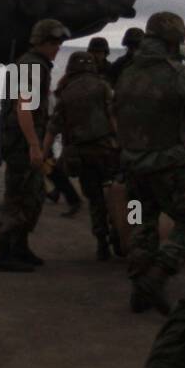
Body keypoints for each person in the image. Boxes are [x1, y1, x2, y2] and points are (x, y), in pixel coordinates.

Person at [113, 12, 185, 314]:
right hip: (169, 164)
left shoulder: (127, 71)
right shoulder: (177, 72)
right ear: (174, 41)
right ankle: (156, 277)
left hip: (132, 163)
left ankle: (140, 288)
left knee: (143, 224)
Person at [0, 18, 69, 272]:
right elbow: (24, 108)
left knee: (33, 196)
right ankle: (3, 254)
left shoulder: (34, 64)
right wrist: (35, 146)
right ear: (43, 42)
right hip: (22, 144)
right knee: (17, 197)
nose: (58, 47)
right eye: (54, 42)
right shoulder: (33, 67)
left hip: (23, 140)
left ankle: (20, 247)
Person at [43, 51, 121, 259]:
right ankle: (120, 235)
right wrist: (122, 144)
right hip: (107, 151)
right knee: (117, 195)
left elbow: (54, 126)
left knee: (95, 199)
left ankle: (101, 242)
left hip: (80, 155)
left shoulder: (66, 91)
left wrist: (41, 152)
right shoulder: (102, 86)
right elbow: (113, 117)